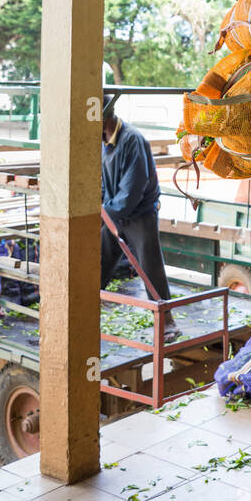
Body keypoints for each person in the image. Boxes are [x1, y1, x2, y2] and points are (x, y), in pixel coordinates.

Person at [100, 96, 175, 329]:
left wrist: (105, 212)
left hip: (139, 215)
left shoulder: (133, 140)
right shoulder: (103, 142)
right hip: (114, 212)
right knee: (98, 262)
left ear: (104, 117)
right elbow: (103, 181)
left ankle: (167, 323)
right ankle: (84, 310)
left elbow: (132, 190)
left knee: (150, 268)